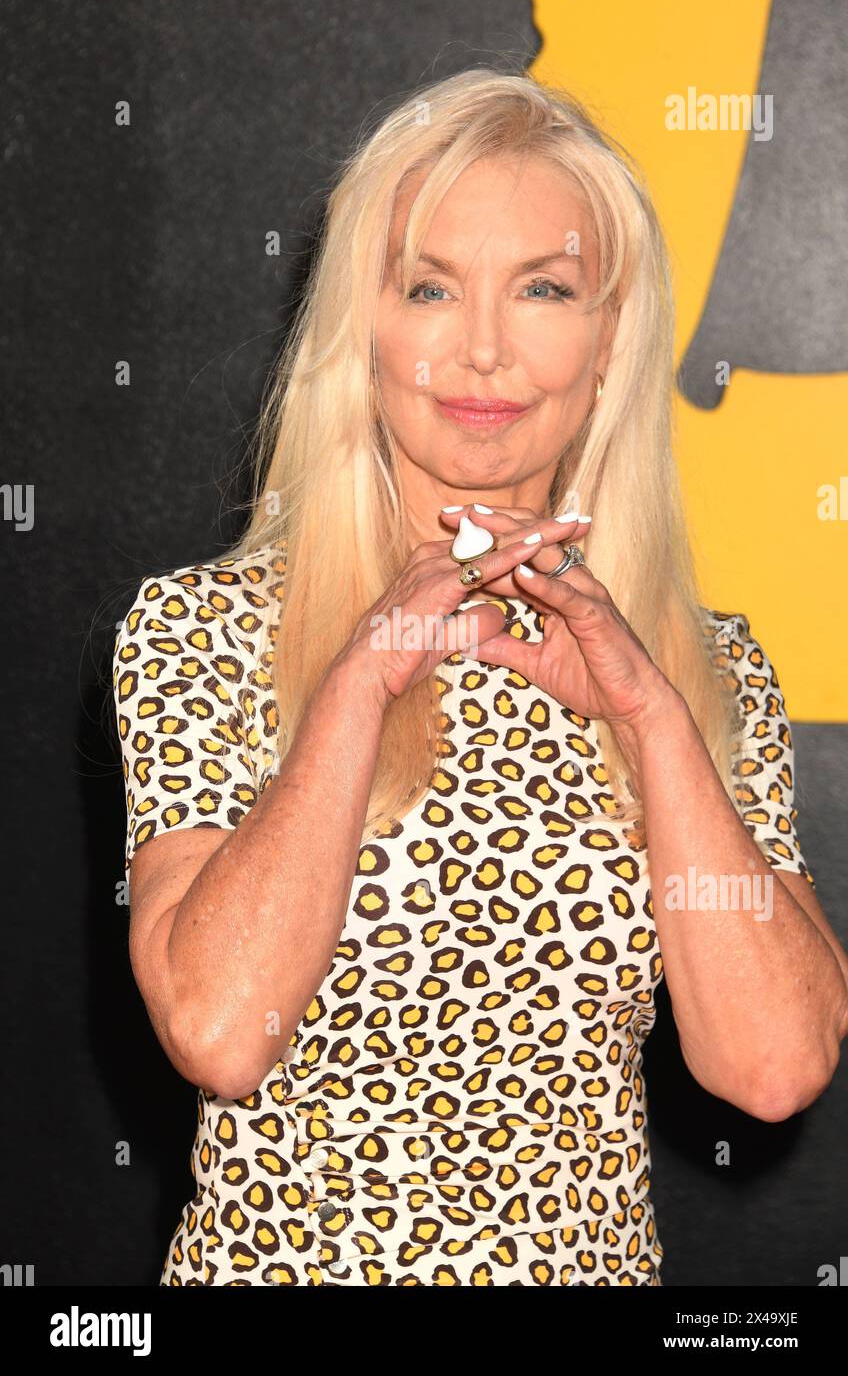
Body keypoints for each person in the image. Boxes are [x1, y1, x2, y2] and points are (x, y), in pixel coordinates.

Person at [112, 67, 848, 1287]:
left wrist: (652, 721)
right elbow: (220, 1031)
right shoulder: (205, 633)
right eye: (429, 286)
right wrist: (358, 682)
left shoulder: (701, 669)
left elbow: (772, 1067)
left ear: (608, 341)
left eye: (543, 288)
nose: (486, 349)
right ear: (362, 331)